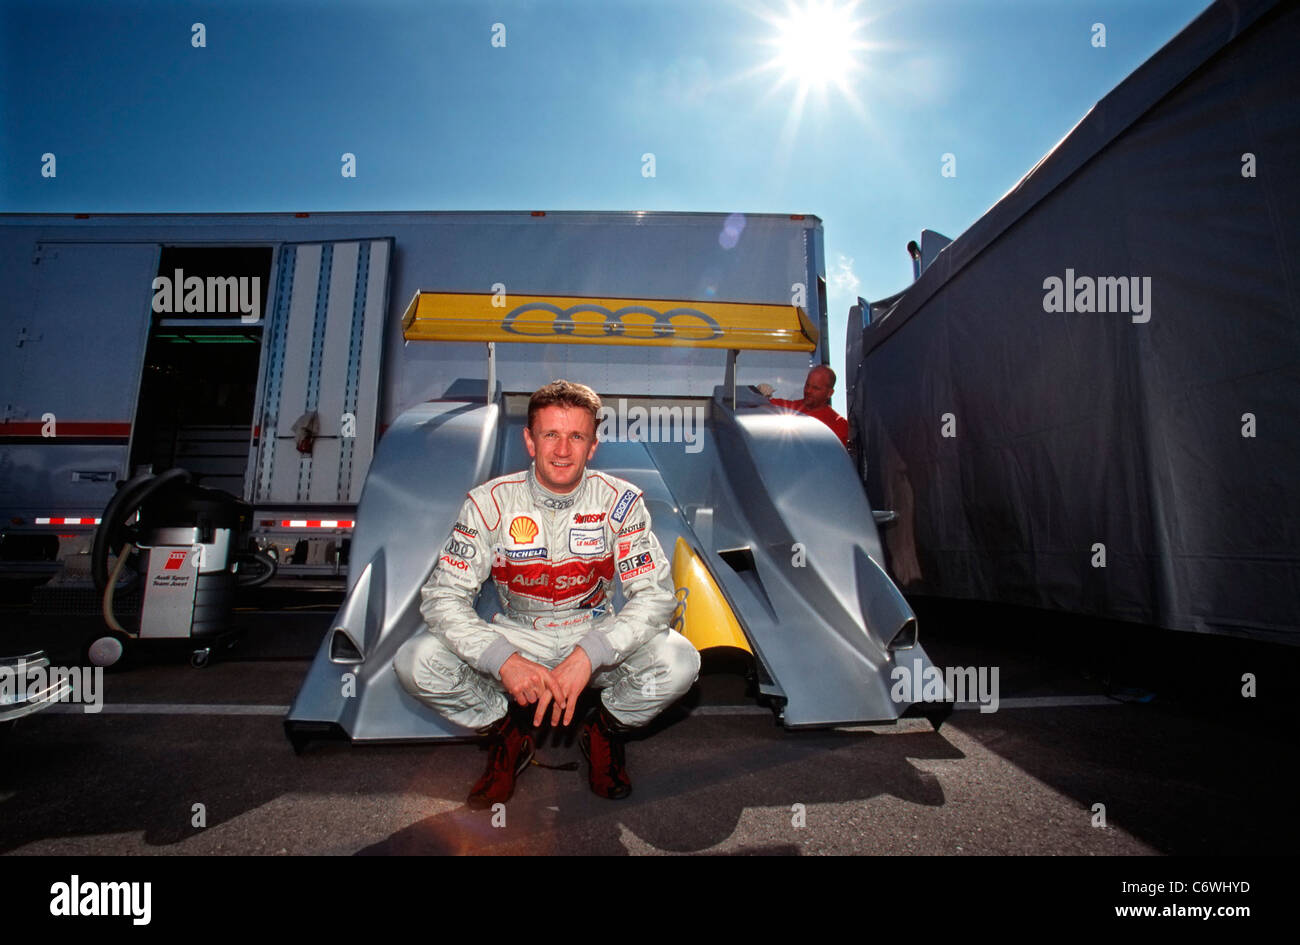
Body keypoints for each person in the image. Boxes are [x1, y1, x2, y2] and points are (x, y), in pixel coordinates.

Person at [394, 379, 700, 809]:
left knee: (679, 661)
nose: (562, 450)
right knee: (416, 662)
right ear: (529, 440)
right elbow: (442, 597)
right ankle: (507, 734)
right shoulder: (489, 504)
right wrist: (503, 658)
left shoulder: (622, 503)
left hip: (593, 630)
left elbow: (655, 597)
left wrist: (590, 653)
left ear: (593, 445)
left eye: (576, 436)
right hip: (520, 635)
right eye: (550, 434)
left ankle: (603, 733)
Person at [759, 365, 850, 449]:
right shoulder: (786, 408)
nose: (808, 391)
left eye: (815, 388)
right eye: (807, 385)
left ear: (830, 393)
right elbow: (752, 404)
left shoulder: (839, 424)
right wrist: (758, 393)